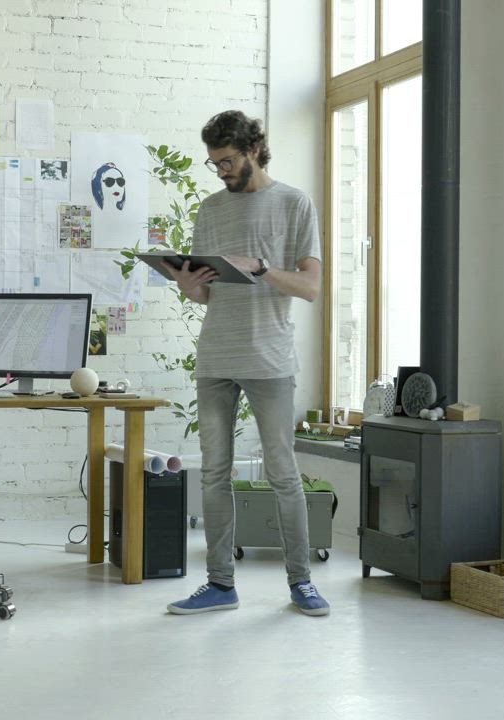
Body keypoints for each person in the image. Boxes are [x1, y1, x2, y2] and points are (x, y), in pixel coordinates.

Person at [165, 110, 327, 617]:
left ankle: (301, 583)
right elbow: (206, 295)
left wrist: (261, 269)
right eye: (214, 164)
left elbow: (311, 287)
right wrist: (188, 286)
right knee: (214, 473)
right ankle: (219, 584)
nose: (222, 172)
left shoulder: (294, 204)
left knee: (283, 472)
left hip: (270, 358)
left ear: (254, 149)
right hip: (217, 356)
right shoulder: (211, 209)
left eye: (228, 161)